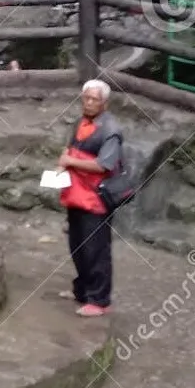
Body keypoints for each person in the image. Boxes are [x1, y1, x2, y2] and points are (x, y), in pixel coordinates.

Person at [58, 79, 122, 316]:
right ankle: (82, 290)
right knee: (77, 246)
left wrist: (71, 161)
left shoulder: (110, 130)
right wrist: (63, 162)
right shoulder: (80, 122)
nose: (89, 103)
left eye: (95, 99)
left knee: (96, 250)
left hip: (96, 199)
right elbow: (69, 147)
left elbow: (104, 164)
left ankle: (99, 300)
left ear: (104, 103)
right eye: (86, 98)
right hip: (75, 194)